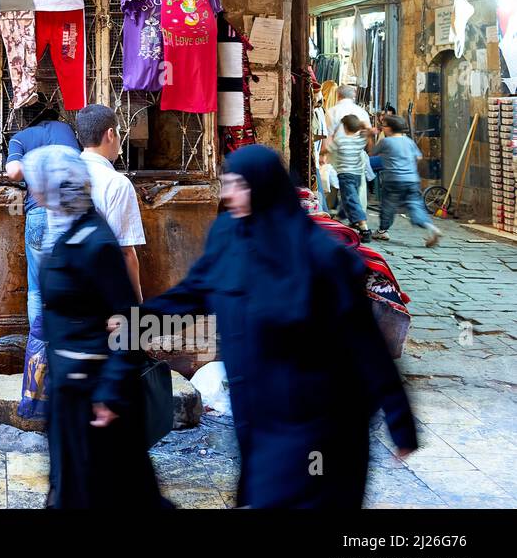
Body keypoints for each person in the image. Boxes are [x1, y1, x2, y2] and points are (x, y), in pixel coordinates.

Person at [139, 145, 417, 507]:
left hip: (319, 424)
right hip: (260, 417)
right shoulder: (230, 235)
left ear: (264, 186)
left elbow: (366, 344)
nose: (227, 194)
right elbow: (195, 291)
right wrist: (136, 320)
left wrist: (400, 421)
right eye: (227, 183)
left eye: (238, 185)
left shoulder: (321, 257)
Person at [21, 145, 165, 510]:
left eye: (38, 186)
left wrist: (111, 394)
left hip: (97, 397)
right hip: (70, 391)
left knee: (110, 492)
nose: (34, 193)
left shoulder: (95, 242)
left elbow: (129, 320)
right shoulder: (66, 231)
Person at [4, 106, 81, 329]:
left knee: (37, 288)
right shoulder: (66, 130)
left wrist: (36, 163)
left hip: (38, 212)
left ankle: (38, 351)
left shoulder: (20, 138)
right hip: (70, 212)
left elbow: (14, 172)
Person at [74, 104, 146, 300]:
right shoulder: (117, 183)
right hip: (100, 292)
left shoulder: (64, 175)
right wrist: (136, 300)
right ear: (111, 134)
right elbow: (124, 251)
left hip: (64, 288)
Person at [372, 114, 442, 247]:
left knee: (388, 206)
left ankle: (382, 230)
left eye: (384, 125)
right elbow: (418, 158)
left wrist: (370, 136)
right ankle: (431, 228)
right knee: (415, 205)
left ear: (390, 128)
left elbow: (372, 153)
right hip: (412, 180)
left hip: (393, 180)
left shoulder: (385, 142)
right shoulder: (409, 141)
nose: (382, 128)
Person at [325, 114, 373, 241]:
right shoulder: (360, 139)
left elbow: (327, 149)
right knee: (349, 197)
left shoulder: (340, 140)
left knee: (351, 200)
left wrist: (333, 134)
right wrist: (363, 126)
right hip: (357, 175)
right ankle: (339, 219)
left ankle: (364, 228)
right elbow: (368, 132)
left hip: (345, 175)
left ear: (345, 127)